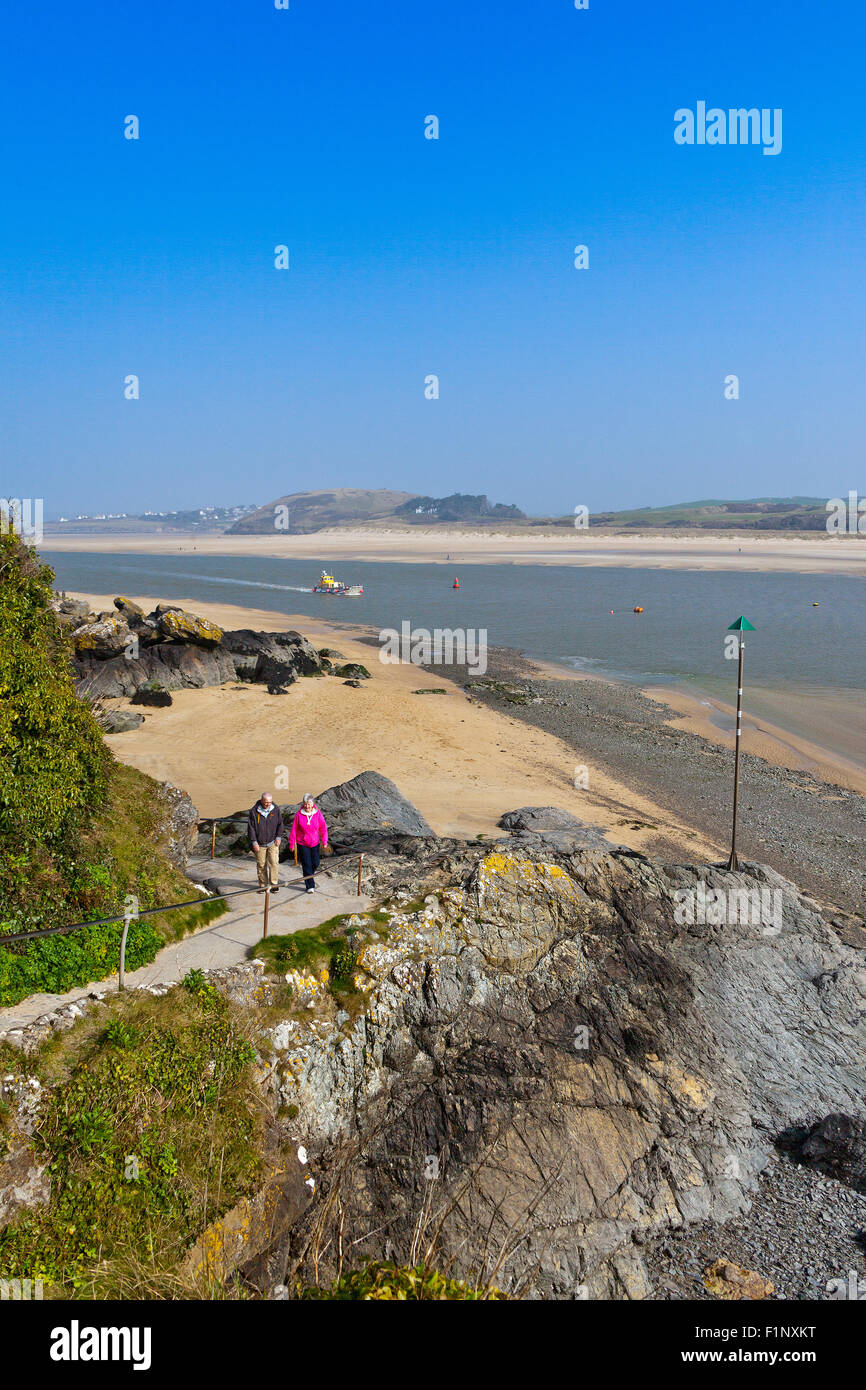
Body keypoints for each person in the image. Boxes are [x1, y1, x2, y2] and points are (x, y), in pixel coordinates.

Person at [288, 793, 328, 893]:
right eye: (305, 804)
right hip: (302, 843)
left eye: (309, 804)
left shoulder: (317, 813)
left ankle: (308, 875)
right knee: (306, 864)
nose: (307, 806)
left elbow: (323, 828)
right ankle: (310, 885)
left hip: (315, 842)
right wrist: (292, 843)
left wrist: (324, 841)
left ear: (312, 804)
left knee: (315, 863)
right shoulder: (298, 814)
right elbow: (294, 830)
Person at [248, 791, 283, 894]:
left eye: (270, 802)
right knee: (261, 864)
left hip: (273, 842)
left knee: (274, 863)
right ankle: (263, 886)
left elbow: (280, 824)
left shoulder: (275, 809)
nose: (268, 804)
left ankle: (274, 884)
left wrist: (278, 837)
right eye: (266, 802)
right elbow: (251, 828)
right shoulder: (254, 811)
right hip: (259, 844)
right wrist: (254, 842)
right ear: (262, 800)